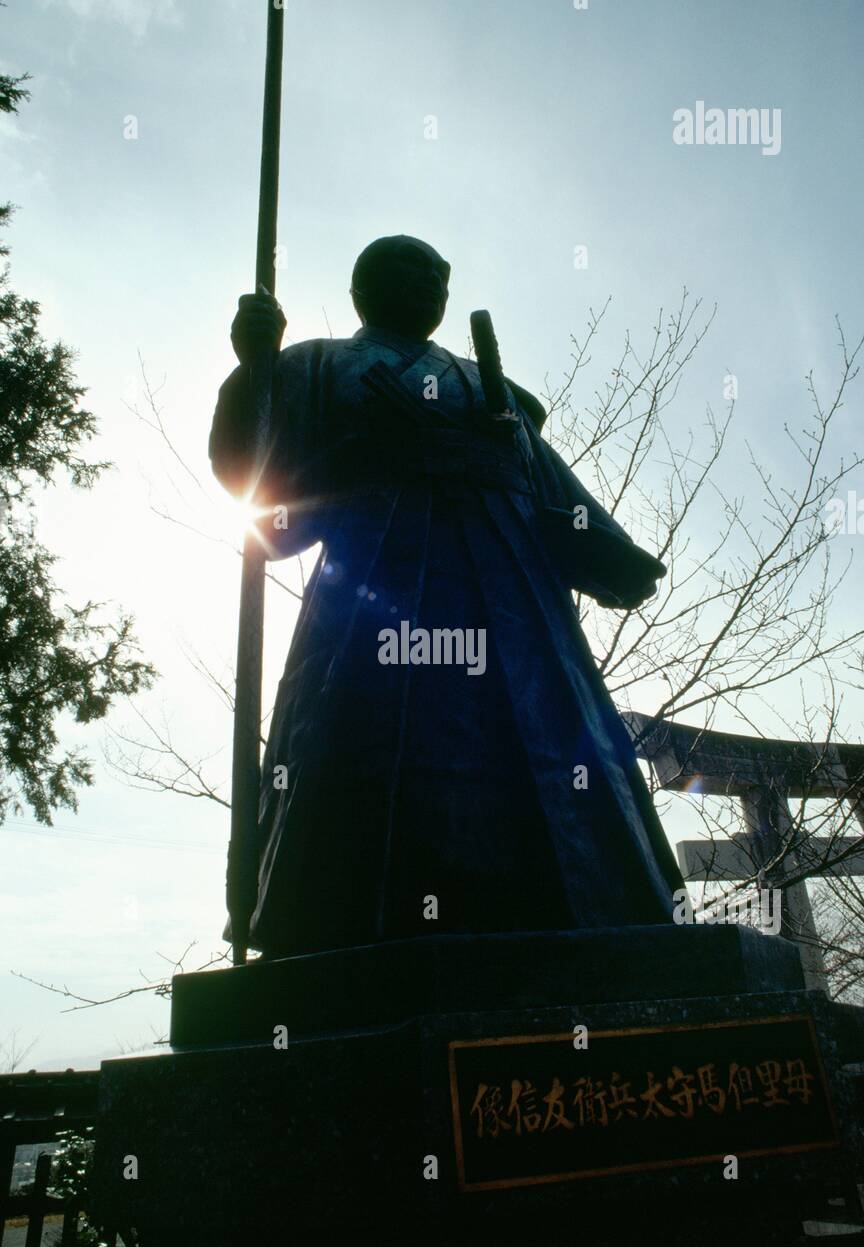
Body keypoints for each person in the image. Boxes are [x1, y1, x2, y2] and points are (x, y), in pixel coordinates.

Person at [210, 234, 683, 958]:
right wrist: (256, 373)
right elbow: (260, 484)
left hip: (512, 589)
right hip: (379, 583)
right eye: (410, 270)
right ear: (364, 287)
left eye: (439, 276)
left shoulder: (485, 382)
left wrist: (605, 551)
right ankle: (346, 927)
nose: (429, 284)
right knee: (366, 738)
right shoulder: (316, 366)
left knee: (545, 736)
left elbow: (546, 481)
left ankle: (585, 917)